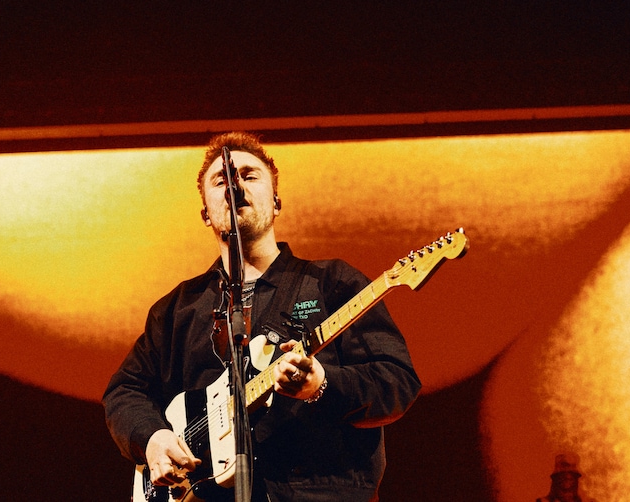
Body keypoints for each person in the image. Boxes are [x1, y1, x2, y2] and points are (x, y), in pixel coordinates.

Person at [104, 132, 422, 502]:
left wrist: (322, 384)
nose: (234, 185)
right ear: (206, 213)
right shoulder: (177, 310)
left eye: (249, 175)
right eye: (221, 180)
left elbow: (397, 381)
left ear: (276, 203)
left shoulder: (333, 282)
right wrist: (152, 438)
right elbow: (124, 391)